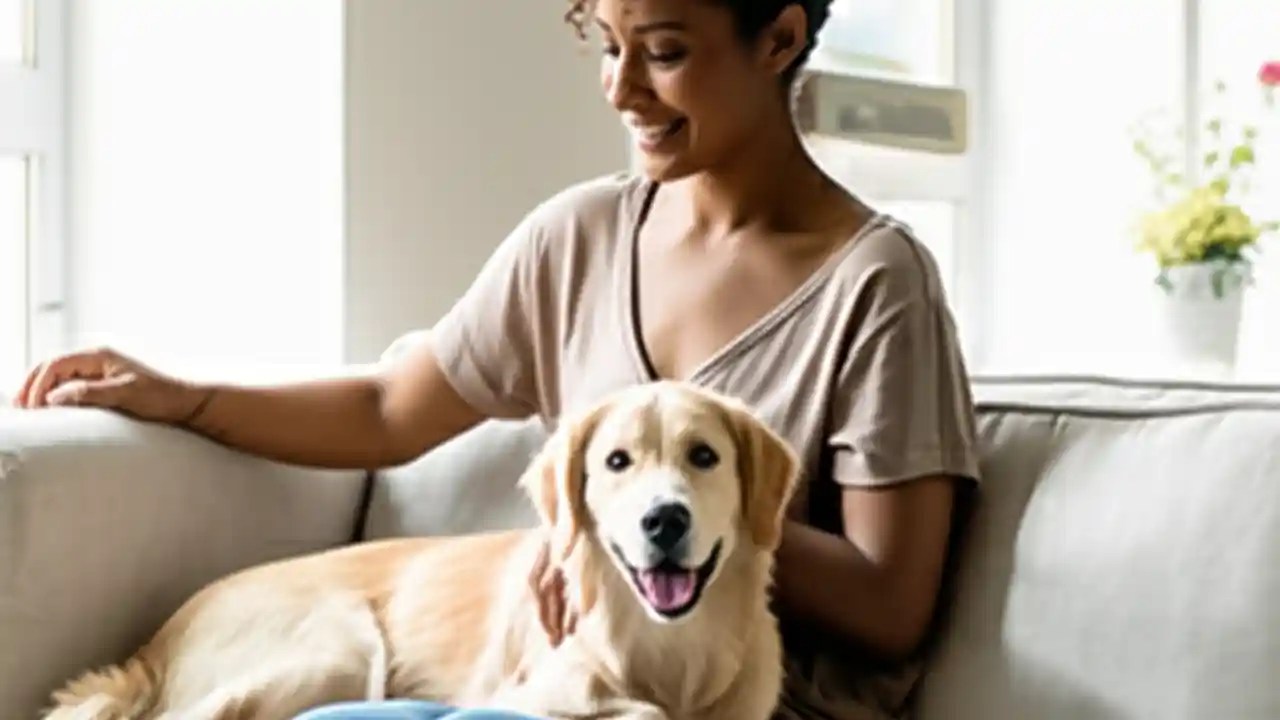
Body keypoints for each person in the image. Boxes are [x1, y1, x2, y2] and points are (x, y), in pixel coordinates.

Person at [13, 0, 982, 718]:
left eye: (665, 53)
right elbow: (393, 409)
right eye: (607, 45)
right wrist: (185, 397)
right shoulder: (576, 239)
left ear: (776, 39)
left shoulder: (876, 284)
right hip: (563, 690)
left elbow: (890, 604)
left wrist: (650, 523)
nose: (620, 87)